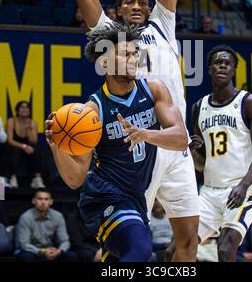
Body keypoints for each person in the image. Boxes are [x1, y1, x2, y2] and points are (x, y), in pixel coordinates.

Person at [73, 0, 199, 262]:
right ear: (117, 11)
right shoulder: (111, 34)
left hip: (172, 140)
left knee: (189, 243)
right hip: (131, 149)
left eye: (143, 2)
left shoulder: (164, 24)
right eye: (130, 1)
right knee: (126, 247)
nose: (138, 6)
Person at [45, 23, 188, 262]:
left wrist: (145, 134)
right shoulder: (93, 111)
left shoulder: (154, 89)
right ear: (105, 63)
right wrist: (57, 147)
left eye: (135, 53)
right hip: (105, 198)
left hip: (135, 198)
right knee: (141, 250)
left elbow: (181, 139)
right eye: (125, 54)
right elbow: (75, 179)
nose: (133, 59)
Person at [190, 45, 252, 262]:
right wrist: (194, 151)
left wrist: (243, 185)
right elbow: (200, 165)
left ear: (234, 70)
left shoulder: (250, 103)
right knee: (178, 248)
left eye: (227, 63)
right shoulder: (198, 107)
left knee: (225, 249)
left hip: (242, 189)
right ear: (209, 69)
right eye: (217, 62)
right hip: (209, 192)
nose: (222, 66)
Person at [16, 189, 77, 262]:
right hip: (33, 251)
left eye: (46, 199)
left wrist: (59, 251)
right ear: (33, 201)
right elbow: (24, 244)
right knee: (26, 257)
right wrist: (43, 251)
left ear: (51, 202)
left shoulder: (58, 216)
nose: (43, 202)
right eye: (40, 199)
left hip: (52, 250)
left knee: (71, 256)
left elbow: (64, 241)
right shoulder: (25, 217)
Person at [6, 101, 45, 189]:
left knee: (37, 149)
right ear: (17, 110)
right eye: (21, 107)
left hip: (28, 146)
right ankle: (13, 178)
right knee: (14, 150)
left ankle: (37, 179)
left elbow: (34, 141)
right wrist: (24, 147)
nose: (24, 109)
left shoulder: (32, 122)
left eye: (26, 107)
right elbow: (10, 140)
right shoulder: (11, 121)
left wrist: (28, 128)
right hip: (15, 145)